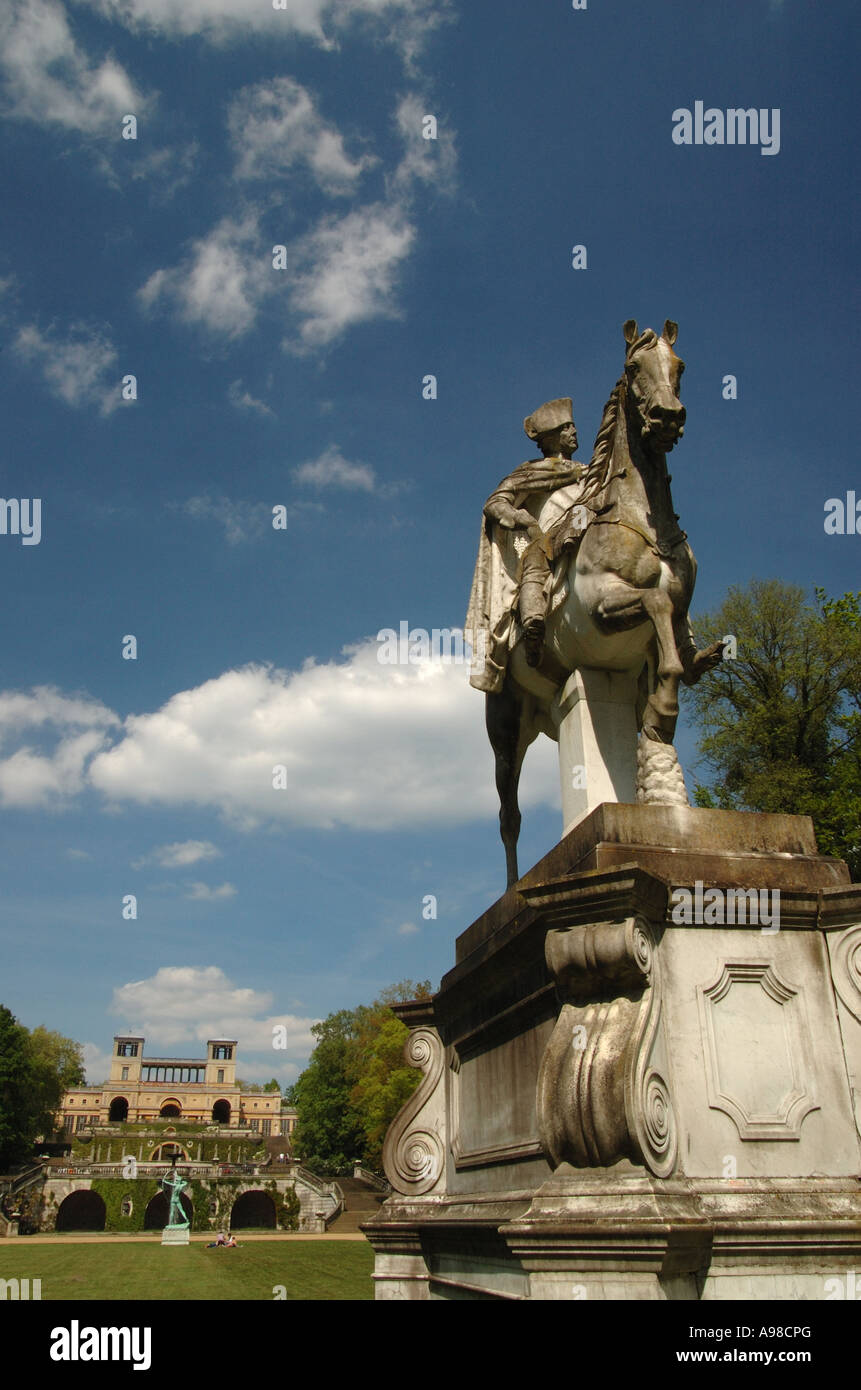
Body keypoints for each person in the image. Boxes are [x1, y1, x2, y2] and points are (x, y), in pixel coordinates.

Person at [466, 398, 587, 687]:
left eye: (573, 425)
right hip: (548, 539)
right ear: (552, 436)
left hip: (588, 531)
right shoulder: (532, 471)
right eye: (566, 427)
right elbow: (495, 503)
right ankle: (533, 623)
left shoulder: (591, 471)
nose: (574, 431)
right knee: (536, 561)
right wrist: (523, 520)